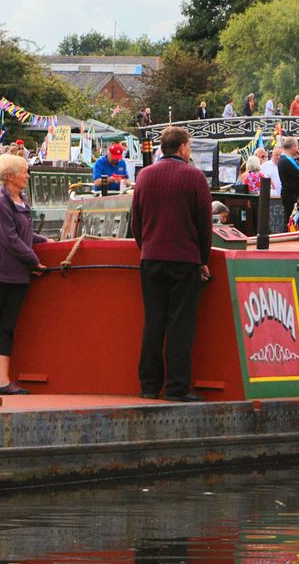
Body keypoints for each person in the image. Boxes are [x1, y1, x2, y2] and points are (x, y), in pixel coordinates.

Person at [131, 126, 212, 402]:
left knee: (153, 323)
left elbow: (136, 220)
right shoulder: (194, 177)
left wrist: (146, 247)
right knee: (180, 325)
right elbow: (204, 224)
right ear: (183, 148)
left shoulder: (144, 175)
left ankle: (149, 386)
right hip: (184, 259)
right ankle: (176, 387)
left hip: (151, 258)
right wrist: (202, 259)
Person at [0, 153, 48, 396]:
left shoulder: (22, 200)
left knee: (7, 326)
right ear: (10, 176)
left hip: (17, 273)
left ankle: (3, 381)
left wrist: (45, 241)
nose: (27, 175)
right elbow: (9, 238)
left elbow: (24, 235)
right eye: (24, 171)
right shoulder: (0, 201)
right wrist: (34, 260)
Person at [276, 137, 299, 224]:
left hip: (289, 193)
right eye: (297, 146)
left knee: (289, 218)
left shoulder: (286, 159)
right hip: (291, 195)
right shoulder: (287, 160)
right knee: (291, 220)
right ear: (293, 146)